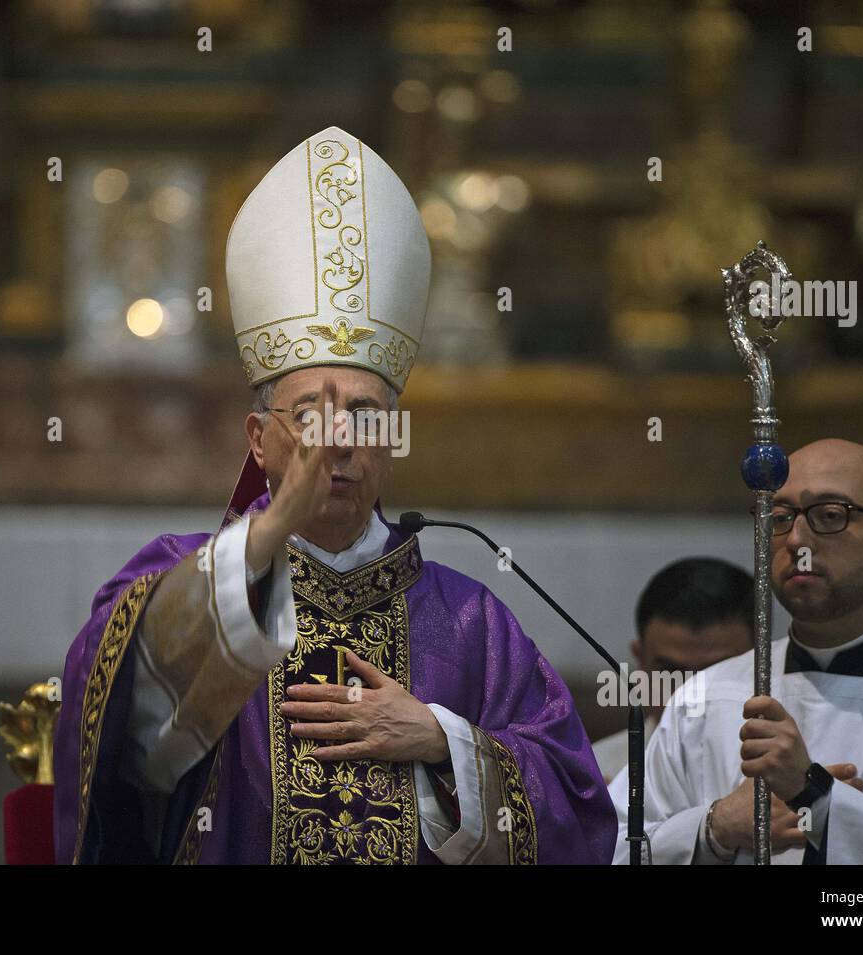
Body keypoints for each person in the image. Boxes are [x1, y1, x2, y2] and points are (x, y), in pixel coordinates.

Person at [52, 126, 616, 864]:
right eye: (312, 414)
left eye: (364, 413)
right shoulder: (183, 581)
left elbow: (578, 812)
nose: (340, 438)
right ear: (258, 439)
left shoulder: (472, 622)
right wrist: (277, 523)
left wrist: (442, 742)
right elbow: (122, 723)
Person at [613, 438, 863, 864]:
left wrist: (815, 796)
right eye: (779, 517)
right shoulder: (703, 699)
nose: (797, 540)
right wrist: (715, 828)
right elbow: (608, 847)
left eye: (831, 516)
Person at [593, 557, 753, 782]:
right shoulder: (591, 780)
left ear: (760, 663)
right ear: (641, 661)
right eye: (671, 673)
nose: (691, 697)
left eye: (718, 672)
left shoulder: (793, 776)